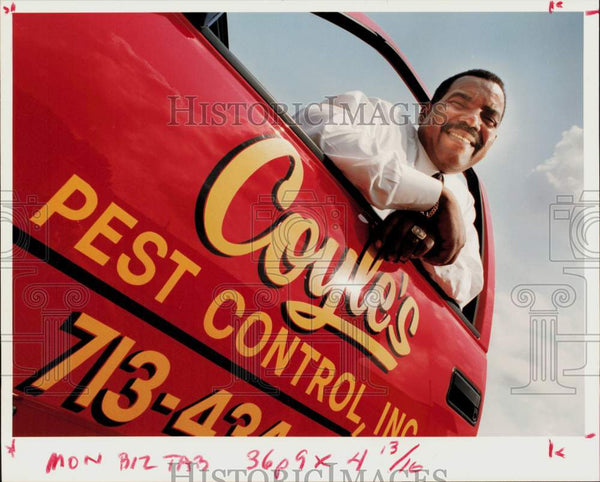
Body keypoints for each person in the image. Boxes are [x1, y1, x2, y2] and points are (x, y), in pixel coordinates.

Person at [296, 69, 506, 309]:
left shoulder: (464, 200)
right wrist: (433, 198)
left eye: (489, 119)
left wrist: (430, 237)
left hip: (355, 315)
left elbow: (468, 283)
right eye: (459, 103)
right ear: (426, 111)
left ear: (492, 141)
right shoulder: (380, 118)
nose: (472, 121)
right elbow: (317, 126)